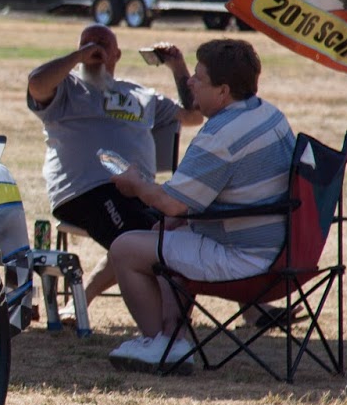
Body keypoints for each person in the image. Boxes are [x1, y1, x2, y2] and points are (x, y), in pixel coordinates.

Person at [105, 39, 294, 370]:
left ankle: (163, 345)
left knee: (124, 248)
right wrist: (175, 219)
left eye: (198, 77)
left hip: (248, 259)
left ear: (222, 91)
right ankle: (171, 336)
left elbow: (171, 203)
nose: (190, 82)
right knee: (165, 234)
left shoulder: (220, 136)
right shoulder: (268, 114)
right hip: (284, 251)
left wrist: (135, 185)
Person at [26, 24, 202, 301]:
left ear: (116, 55)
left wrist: (178, 67)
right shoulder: (66, 88)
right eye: (87, 43)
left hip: (139, 192)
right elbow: (36, 83)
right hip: (87, 190)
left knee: (187, 228)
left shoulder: (141, 95)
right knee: (145, 241)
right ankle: (163, 317)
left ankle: (81, 300)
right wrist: (77, 58)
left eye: (102, 44)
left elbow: (194, 115)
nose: (94, 48)